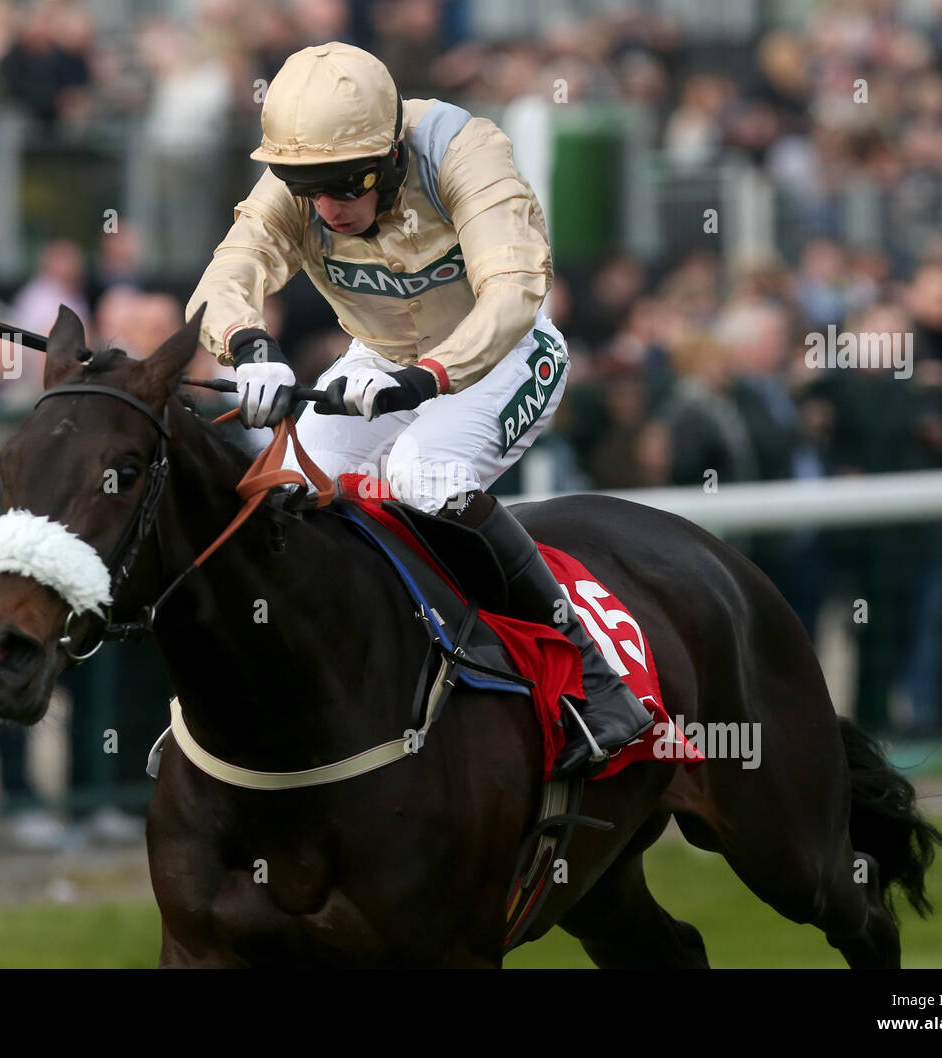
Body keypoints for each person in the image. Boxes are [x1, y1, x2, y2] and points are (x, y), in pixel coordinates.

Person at [185, 42, 653, 777]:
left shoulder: (466, 153)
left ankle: (596, 684)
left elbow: (512, 294)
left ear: (390, 158)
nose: (327, 208)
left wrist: (429, 377)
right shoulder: (304, 188)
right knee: (280, 491)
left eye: (344, 187)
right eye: (310, 190)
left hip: (503, 354)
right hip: (381, 359)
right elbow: (228, 275)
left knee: (420, 475)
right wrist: (250, 348)